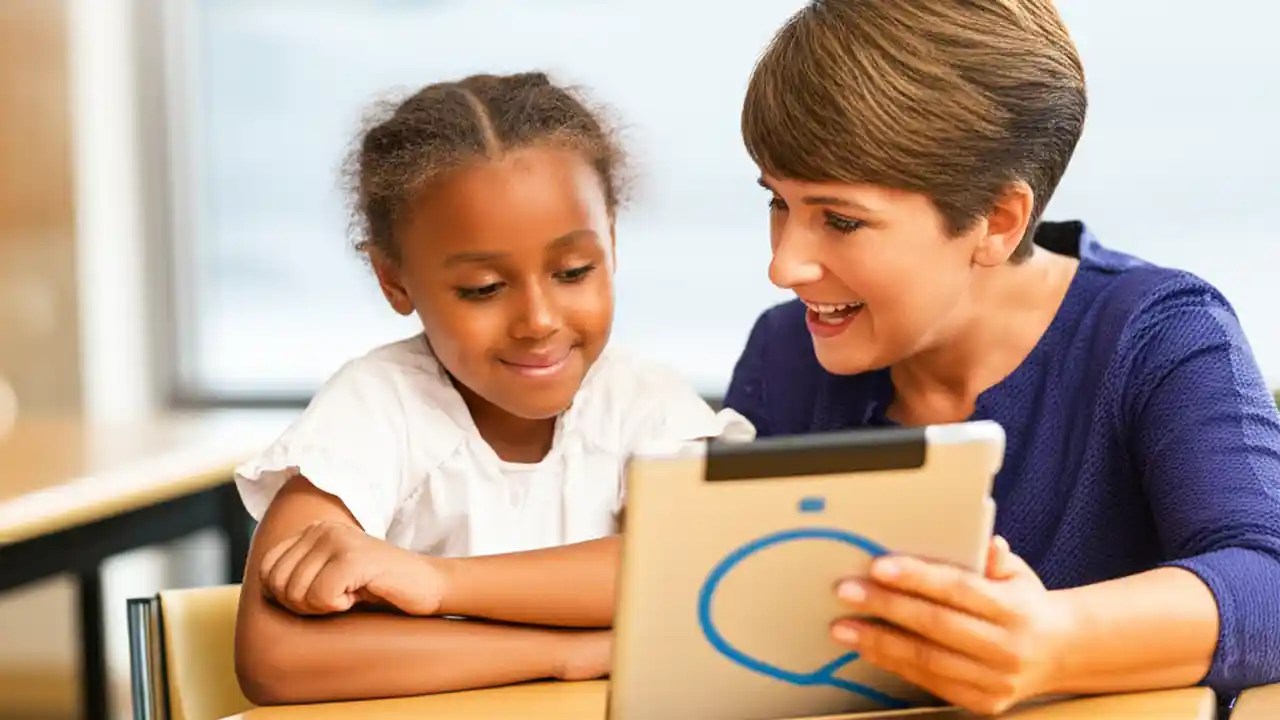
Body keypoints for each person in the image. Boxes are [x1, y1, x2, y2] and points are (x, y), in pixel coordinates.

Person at [724, 0, 1280, 714]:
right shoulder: (784, 353)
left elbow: (1266, 578)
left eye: (840, 220)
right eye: (778, 203)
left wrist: (1057, 639)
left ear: (998, 220)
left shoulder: (1160, 335)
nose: (784, 265)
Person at [232, 71, 752, 705]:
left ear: (611, 240)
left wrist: (435, 584)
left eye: (573, 271)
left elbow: (707, 568)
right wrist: (561, 655)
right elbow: (276, 658)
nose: (538, 320)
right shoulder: (376, 408)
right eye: (482, 288)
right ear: (394, 280)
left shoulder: (645, 405)